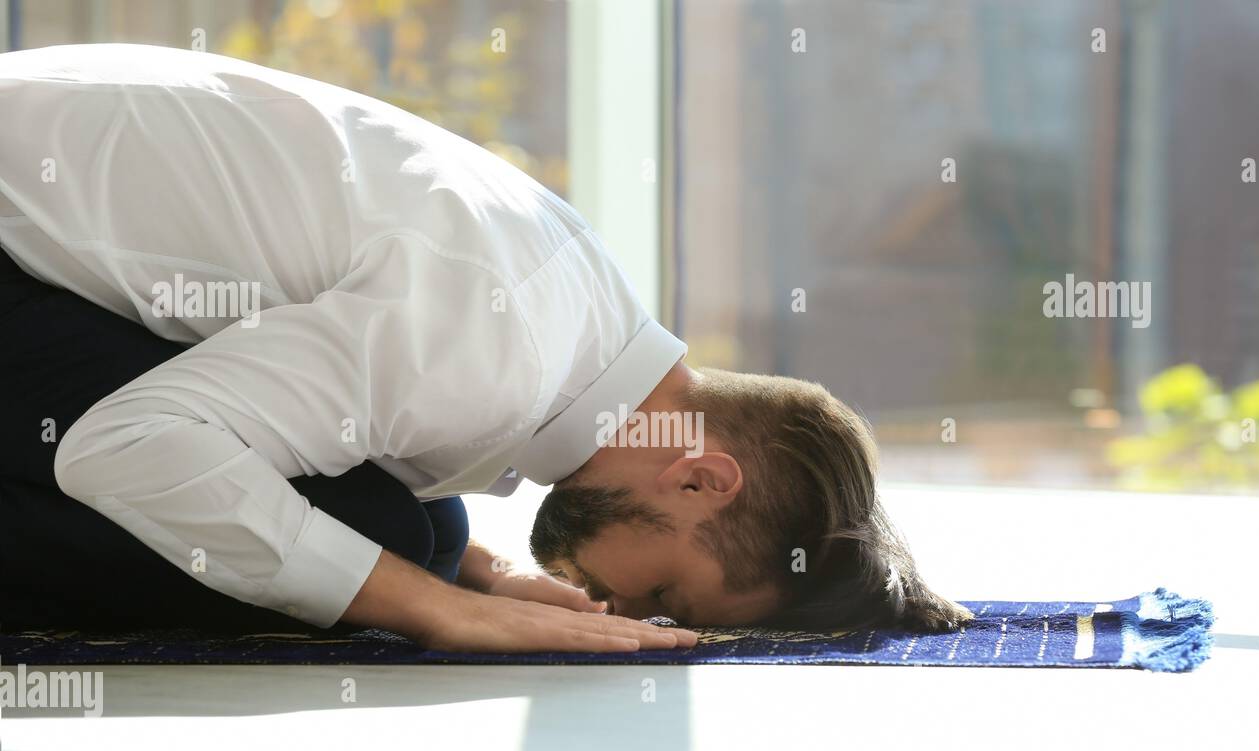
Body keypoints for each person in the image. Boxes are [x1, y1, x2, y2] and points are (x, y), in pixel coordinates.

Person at [0, 44, 968, 653]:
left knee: (425, 536)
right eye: (665, 590)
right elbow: (132, 443)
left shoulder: (576, 315)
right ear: (703, 478)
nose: (625, 602)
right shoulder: (489, 348)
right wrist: (437, 610)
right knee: (386, 549)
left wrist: (468, 574)